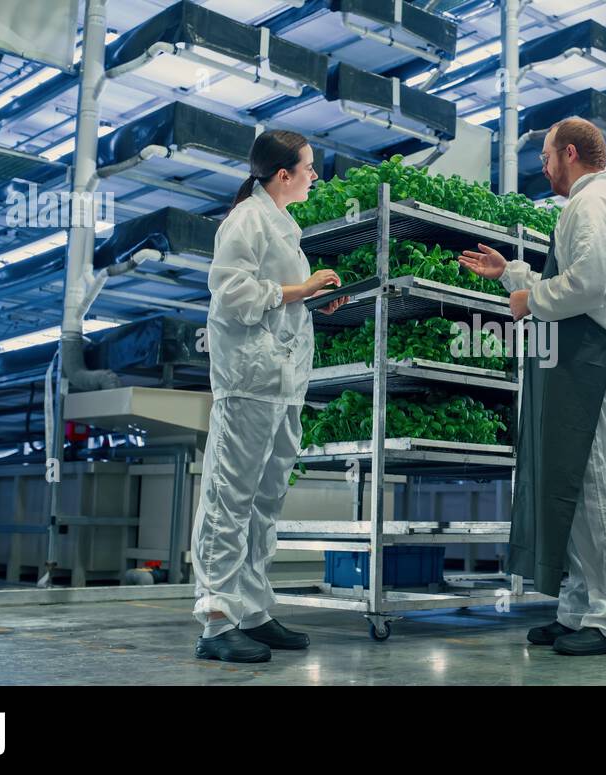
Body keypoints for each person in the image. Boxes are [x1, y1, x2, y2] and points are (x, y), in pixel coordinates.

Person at [459, 117, 606, 656]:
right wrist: (510, 274)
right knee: (575, 490)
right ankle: (581, 609)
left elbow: (586, 284)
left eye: (545, 157)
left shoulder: (594, 202)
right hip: (580, 362)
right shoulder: (589, 203)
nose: (542, 167)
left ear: (569, 153)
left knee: (598, 492)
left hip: (596, 362)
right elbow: (574, 277)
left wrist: (527, 301)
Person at [191, 130, 349, 663]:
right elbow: (232, 293)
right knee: (229, 499)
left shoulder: (284, 227)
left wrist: (310, 302)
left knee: (263, 503)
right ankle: (216, 619)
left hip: (282, 385)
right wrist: (300, 291)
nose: (313, 176)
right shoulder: (246, 220)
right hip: (249, 383)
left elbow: (277, 298)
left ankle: (253, 610)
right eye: (308, 168)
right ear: (283, 173)